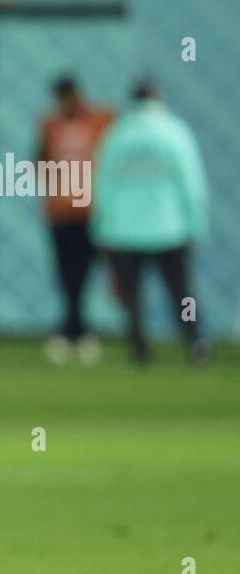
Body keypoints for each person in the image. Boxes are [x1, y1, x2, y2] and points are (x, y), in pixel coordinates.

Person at [92, 79, 210, 365]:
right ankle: (195, 343)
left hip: (125, 229)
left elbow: (103, 185)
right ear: (158, 98)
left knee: (132, 295)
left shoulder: (117, 134)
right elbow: (192, 184)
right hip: (170, 227)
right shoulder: (175, 132)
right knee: (182, 293)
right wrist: (196, 225)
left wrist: (102, 228)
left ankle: (139, 349)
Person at [36, 75, 115, 365]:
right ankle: (77, 331)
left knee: (84, 273)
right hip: (60, 212)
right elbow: (40, 160)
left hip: (91, 212)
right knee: (66, 274)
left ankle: (71, 331)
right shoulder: (51, 125)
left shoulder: (100, 120)